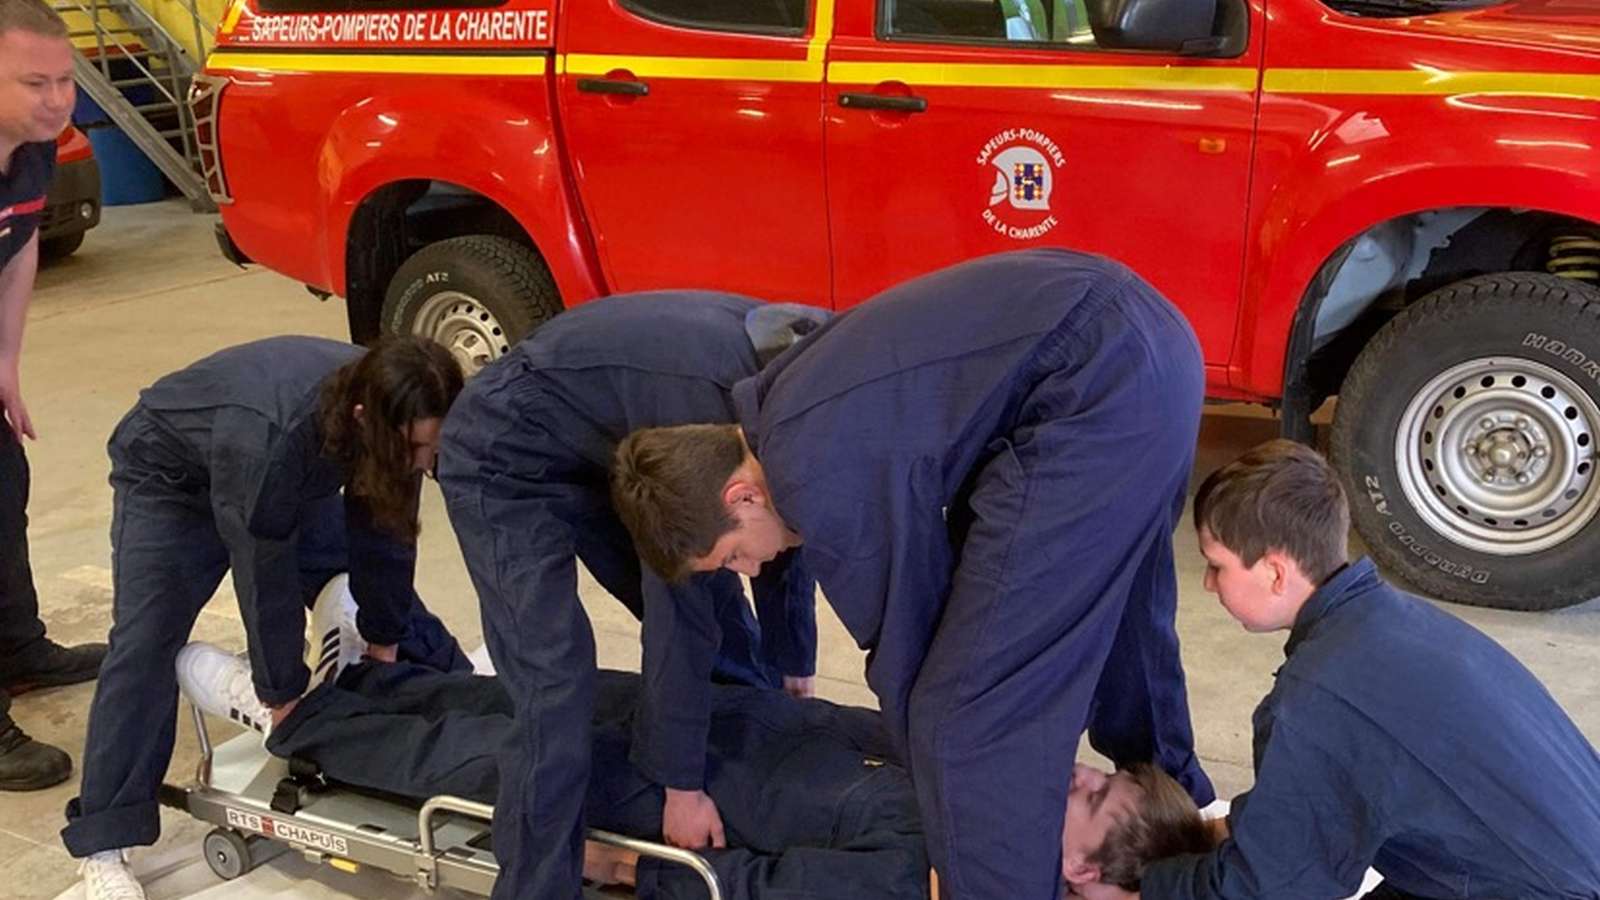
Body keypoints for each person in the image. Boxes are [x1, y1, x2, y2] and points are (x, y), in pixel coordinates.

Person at [612, 249, 1215, 900]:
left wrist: (948, 822)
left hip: (1092, 382)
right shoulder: (788, 399)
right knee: (1128, 624)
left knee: (961, 726)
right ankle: (1194, 826)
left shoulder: (811, 472)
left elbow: (909, 649)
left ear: (740, 498)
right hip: (1153, 354)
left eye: (732, 557)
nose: (751, 569)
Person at [174, 625, 1212, 900]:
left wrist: (619, 869)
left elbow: (758, 888)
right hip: (698, 727)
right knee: (510, 695)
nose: (1072, 777)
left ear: (1082, 870)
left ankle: (288, 719)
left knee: (473, 751)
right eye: (1094, 774)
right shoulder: (992, 798)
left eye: (1089, 796)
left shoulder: (934, 874)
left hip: (663, 800)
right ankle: (358, 679)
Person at [1085, 440, 1600, 900]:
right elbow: (1329, 792)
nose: (1209, 586)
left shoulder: (1315, 698)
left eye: (1217, 566)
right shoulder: (1396, 623)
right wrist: (1230, 830)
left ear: (1274, 570)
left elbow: (1271, 888)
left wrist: (1143, 892)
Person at [436, 292, 823, 899]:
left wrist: (793, 660)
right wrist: (680, 787)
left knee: (727, 628)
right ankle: (536, 888)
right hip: (504, 452)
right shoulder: (703, 412)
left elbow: (787, 525)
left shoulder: (799, 404)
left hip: (603, 444)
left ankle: (743, 790)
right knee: (554, 682)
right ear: (737, 492)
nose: (749, 570)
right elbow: (679, 615)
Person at [64, 335, 471, 900]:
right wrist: (280, 694)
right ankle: (103, 843)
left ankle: (471, 700)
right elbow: (263, 569)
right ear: (364, 419)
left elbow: (388, 531)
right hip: (173, 477)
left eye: (434, 447)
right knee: (146, 641)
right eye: (419, 448)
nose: (427, 462)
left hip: (280, 471)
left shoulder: (395, 403)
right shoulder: (278, 438)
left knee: (393, 616)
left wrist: (383, 642)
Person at [0, 0, 109, 792]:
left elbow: (19, 246)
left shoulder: (33, 153)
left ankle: (16, 648)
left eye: (65, 80)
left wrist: (6, 363)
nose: (57, 99)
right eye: (33, 82)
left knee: (8, 491)